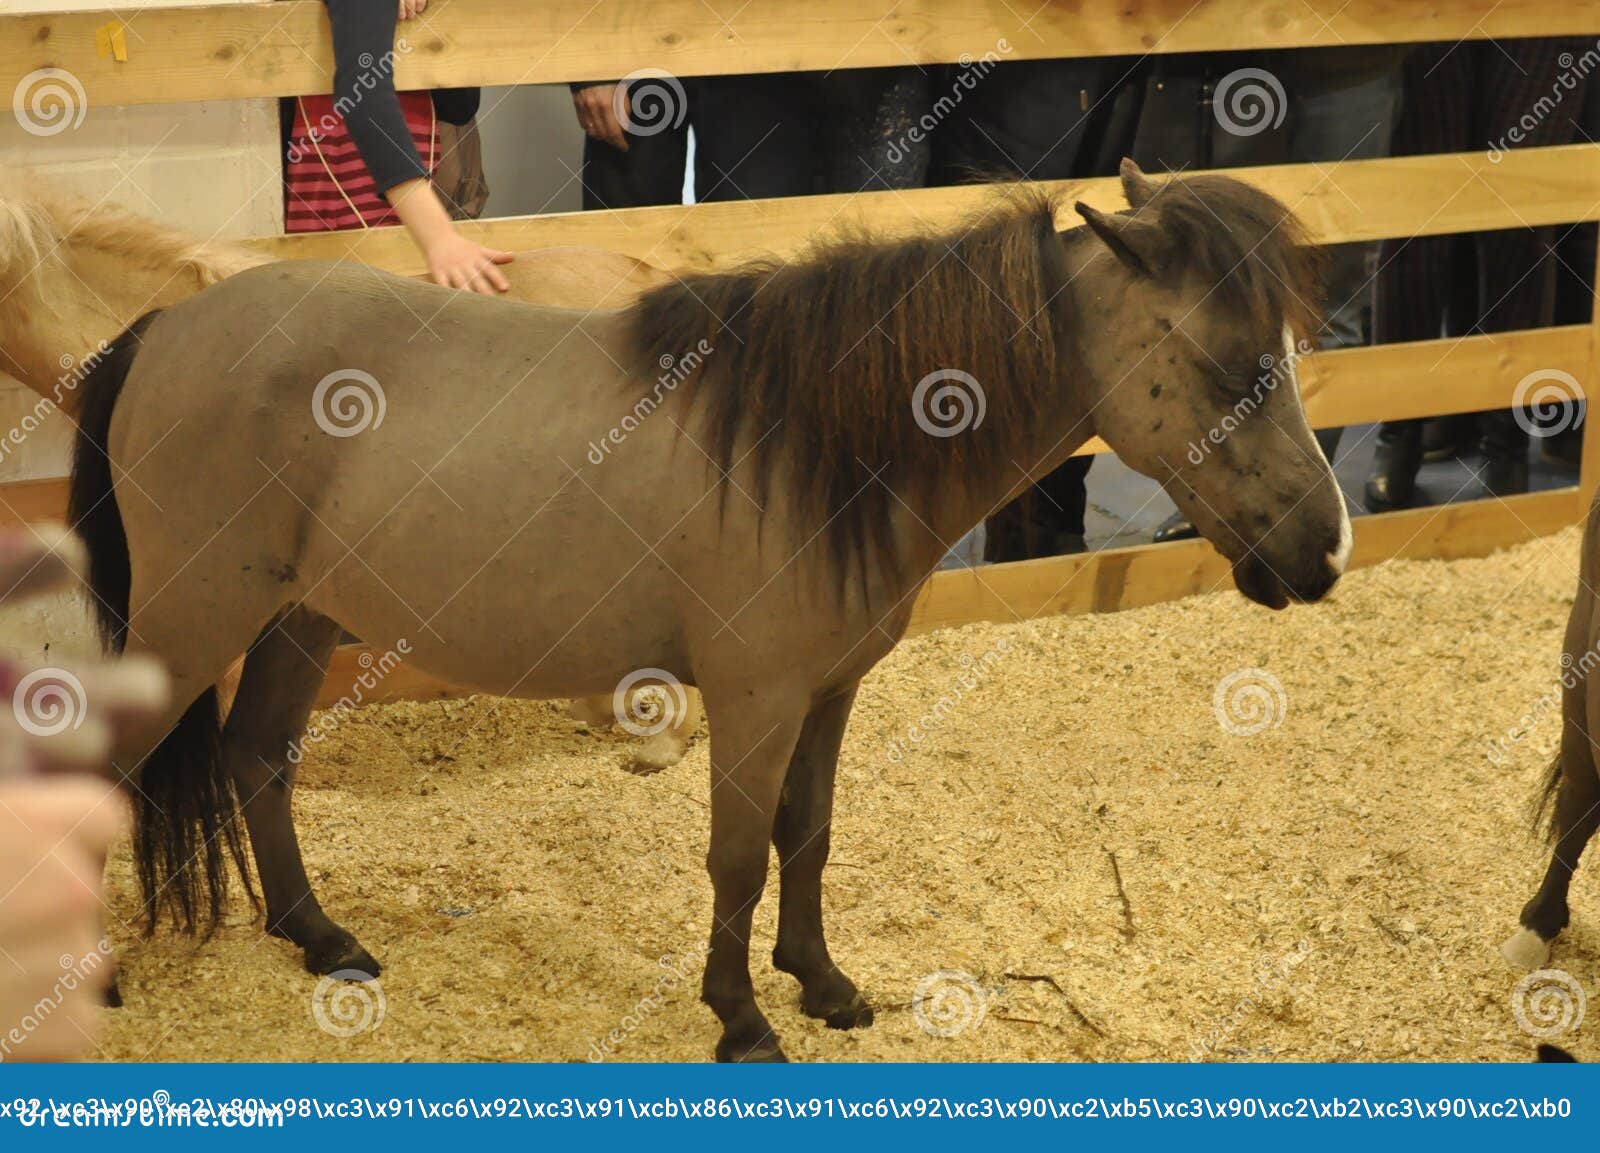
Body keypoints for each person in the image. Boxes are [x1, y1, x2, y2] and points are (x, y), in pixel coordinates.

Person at [1365, 40, 1592, 508]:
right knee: (1419, 213)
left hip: (1544, 15)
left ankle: (1506, 446)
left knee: (1522, 220)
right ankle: (1400, 433)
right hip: (1431, 11)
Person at [284, 0, 511, 294]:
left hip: (403, 176)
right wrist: (438, 238)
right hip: (355, 184)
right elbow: (364, 94)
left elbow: (460, 104)